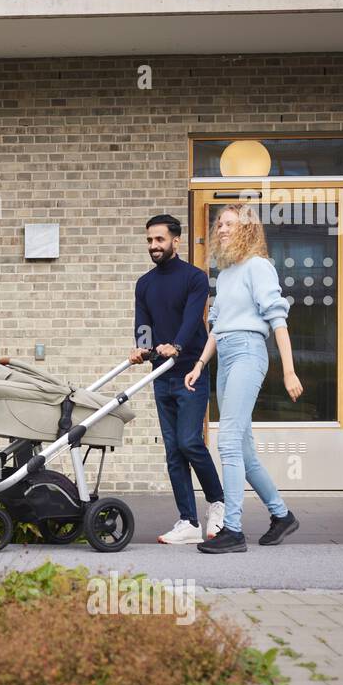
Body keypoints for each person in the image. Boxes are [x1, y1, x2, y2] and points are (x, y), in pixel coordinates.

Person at [185, 204, 303, 554]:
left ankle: (233, 529)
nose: (221, 229)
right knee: (244, 449)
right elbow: (218, 327)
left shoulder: (259, 267)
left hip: (250, 353)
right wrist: (200, 364)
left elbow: (277, 318)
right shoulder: (225, 274)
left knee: (228, 442)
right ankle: (282, 516)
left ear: (247, 230)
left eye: (229, 224)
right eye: (219, 223)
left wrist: (290, 370)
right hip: (227, 356)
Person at [132, 213, 225, 545]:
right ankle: (188, 521)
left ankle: (218, 505)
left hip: (190, 371)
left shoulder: (195, 278)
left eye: (159, 239)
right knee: (173, 451)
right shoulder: (144, 283)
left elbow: (191, 319)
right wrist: (143, 349)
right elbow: (143, 323)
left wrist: (178, 346)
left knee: (190, 442)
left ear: (176, 241)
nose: (153, 246)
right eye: (149, 240)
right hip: (161, 375)